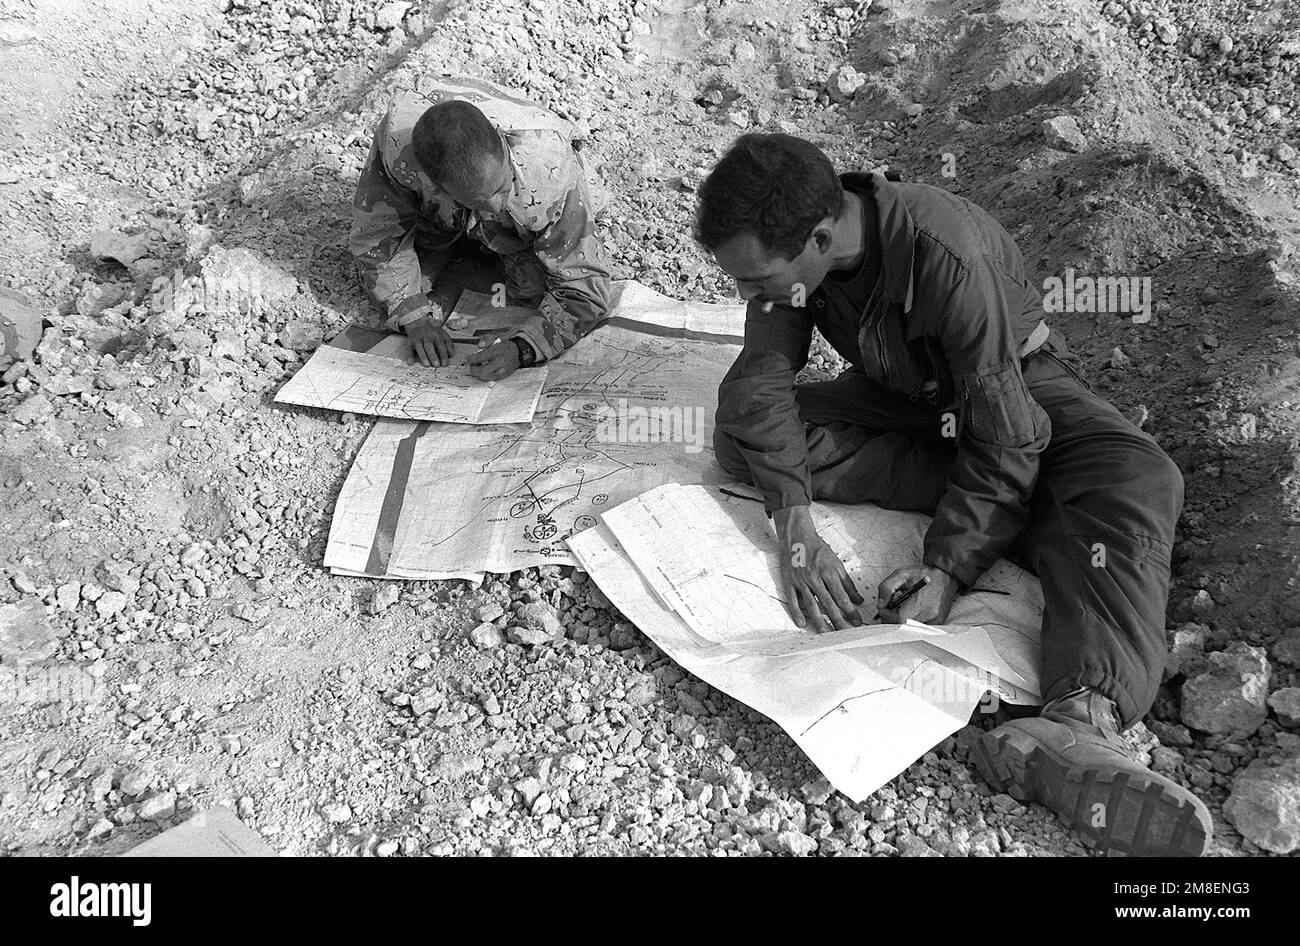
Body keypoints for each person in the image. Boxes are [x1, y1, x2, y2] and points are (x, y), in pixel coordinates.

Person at [695, 132, 1211, 857]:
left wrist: (947, 569)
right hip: (914, 402)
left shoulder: (949, 256)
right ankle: (1024, 508)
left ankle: (1079, 722)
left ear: (819, 238)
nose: (748, 297)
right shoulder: (798, 257)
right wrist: (795, 521)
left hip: (1019, 393)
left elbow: (1005, 431)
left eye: (755, 281)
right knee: (743, 435)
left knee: (1137, 476)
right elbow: (760, 383)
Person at [350, 75, 611, 380]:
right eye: (478, 201)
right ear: (435, 185)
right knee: (399, 277)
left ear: (503, 147)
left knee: (534, 290)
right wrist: (415, 319)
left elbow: (584, 288)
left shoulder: (549, 167)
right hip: (444, 213)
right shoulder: (400, 151)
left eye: (501, 188)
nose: (497, 208)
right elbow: (377, 238)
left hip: (532, 201)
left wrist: (523, 348)